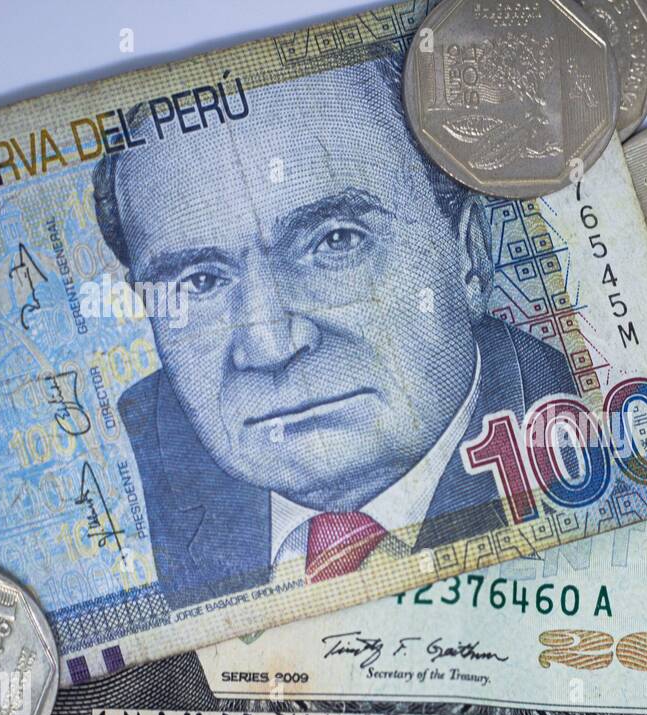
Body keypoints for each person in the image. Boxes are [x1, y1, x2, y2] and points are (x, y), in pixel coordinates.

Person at [95, 54, 577, 608]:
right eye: (200, 280)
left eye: (336, 242)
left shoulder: (596, 430)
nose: (271, 345)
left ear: (469, 253)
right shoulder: (125, 489)